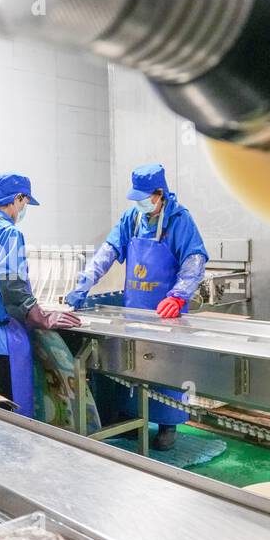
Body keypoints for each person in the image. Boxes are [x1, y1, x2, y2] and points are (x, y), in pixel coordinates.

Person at [64, 164, 209, 450]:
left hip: (166, 312)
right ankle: (133, 418)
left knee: (166, 370)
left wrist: (178, 295)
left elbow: (194, 260)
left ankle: (168, 426)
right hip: (135, 309)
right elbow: (107, 252)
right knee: (132, 367)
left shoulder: (180, 220)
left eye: (145, 198)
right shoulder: (132, 218)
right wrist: (83, 283)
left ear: (159, 194)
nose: (140, 203)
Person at [0, 173, 80, 417]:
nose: (24, 208)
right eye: (25, 202)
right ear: (18, 199)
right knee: (14, 413)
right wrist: (40, 315)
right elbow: (12, 284)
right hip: (4, 336)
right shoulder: (8, 234)